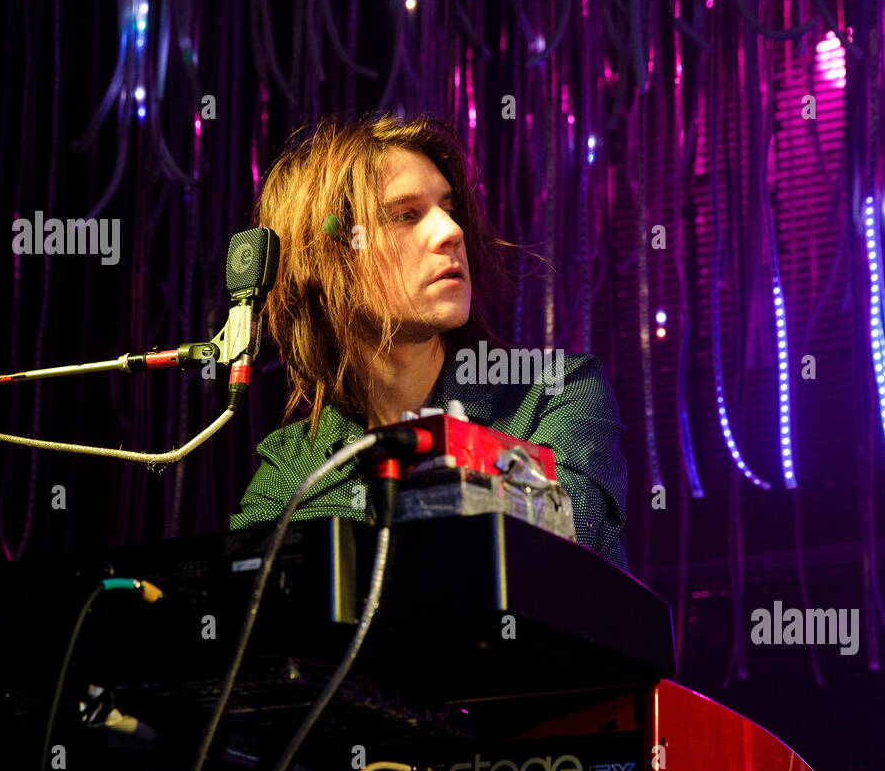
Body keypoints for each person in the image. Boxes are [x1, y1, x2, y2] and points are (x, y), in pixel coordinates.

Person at [228, 112, 629, 571]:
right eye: (405, 215)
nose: (451, 231)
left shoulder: (556, 392)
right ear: (326, 260)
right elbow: (242, 605)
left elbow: (558, 547)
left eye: (449, 208)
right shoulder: (292, 467)